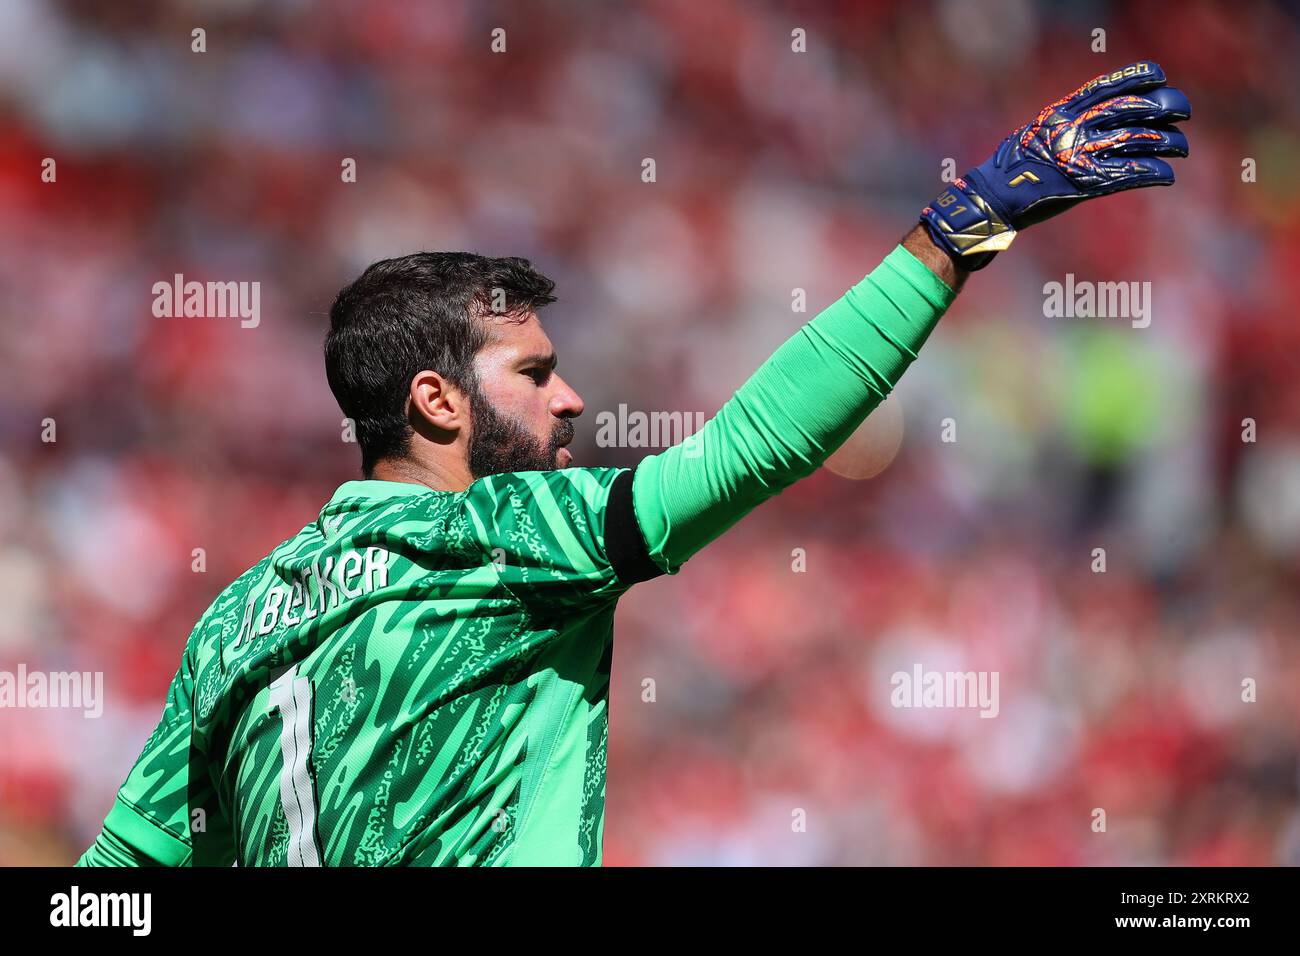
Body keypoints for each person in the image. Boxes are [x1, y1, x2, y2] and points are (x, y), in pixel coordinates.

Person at [77, 62, 1189, 866]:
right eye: (534, 373)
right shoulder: (499, 538)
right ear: (436, 399)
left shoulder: (235, 618)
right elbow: (755, 445)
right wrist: (957, 234)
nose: (570, 398)